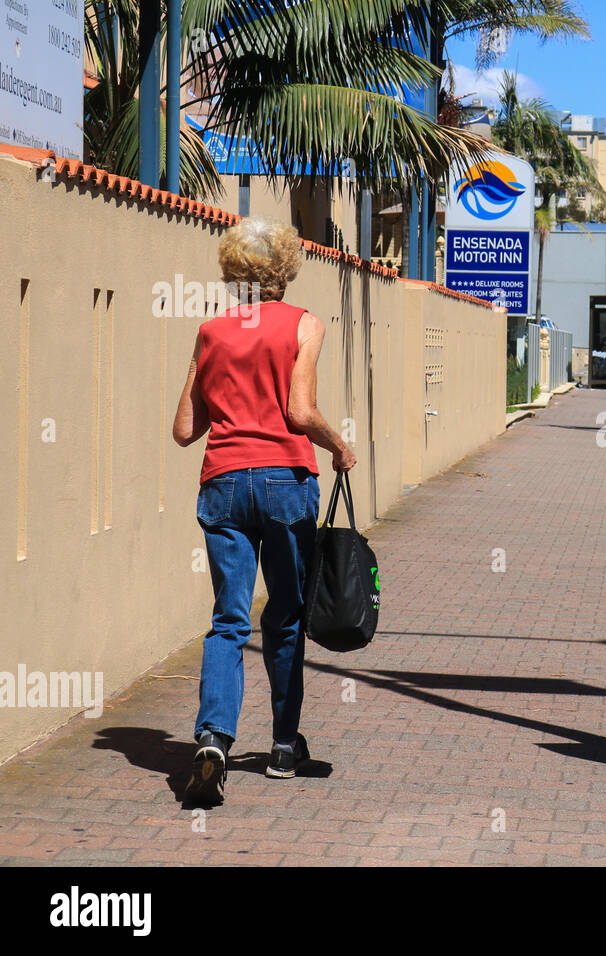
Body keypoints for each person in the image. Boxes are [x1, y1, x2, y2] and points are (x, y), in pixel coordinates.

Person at [171, 218, 357, 806]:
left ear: (232, 273)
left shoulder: (210, 332)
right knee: (284, 613)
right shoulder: (304, 324)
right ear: (285, 269)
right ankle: (282, 744)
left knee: (229, 619)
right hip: (284, 482)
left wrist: (214, 375)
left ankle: (213, 738)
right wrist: (341, 446)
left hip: (223, 482)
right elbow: (300, 412)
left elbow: (184, 430)